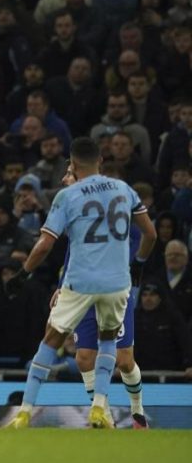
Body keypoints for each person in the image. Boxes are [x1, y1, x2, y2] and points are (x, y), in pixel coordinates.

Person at [5, 137, 156, 429]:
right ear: (100, 161)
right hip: (115, 284)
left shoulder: (69, 196)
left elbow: (45, 245)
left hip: (83, 284)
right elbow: (149, 234)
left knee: (54, 340)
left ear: (73, 165)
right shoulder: (124, 190)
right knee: (100, 346)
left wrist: (23, 274)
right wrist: (137, 266)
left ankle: (24, 411)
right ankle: (100, 408)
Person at [53, 164, 148, 428]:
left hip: (113, 291)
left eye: (69, 173)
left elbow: (139, 237)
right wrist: (62, 286)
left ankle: (138, 412)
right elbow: (72, 253)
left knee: (124, 359)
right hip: (81, 292)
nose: (64, 179)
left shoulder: (117, 209)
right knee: (83, 358)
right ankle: (103, 416)